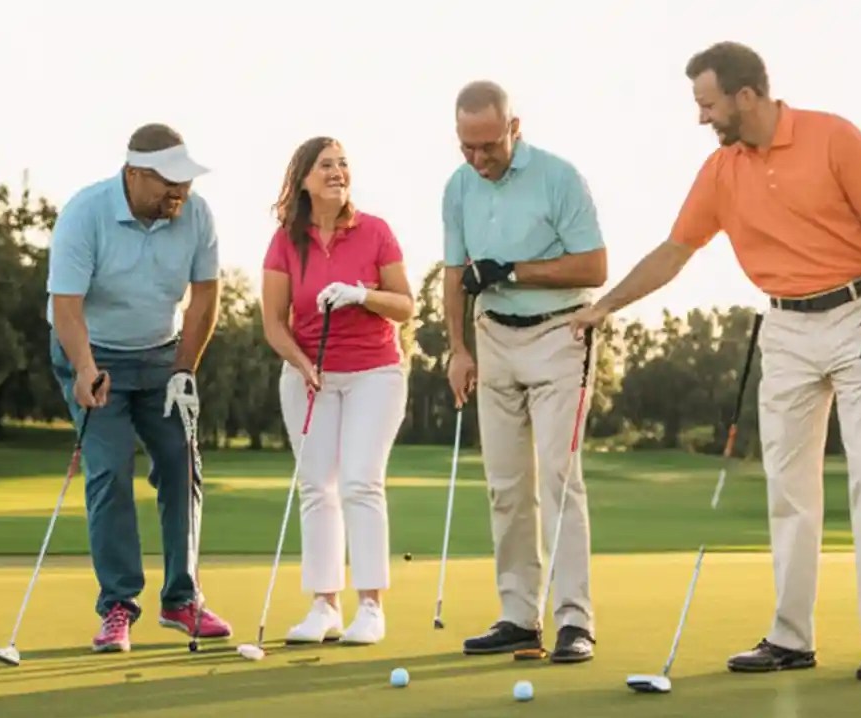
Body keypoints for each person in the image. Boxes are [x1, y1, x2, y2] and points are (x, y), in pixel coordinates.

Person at [569, 41, 861, 681]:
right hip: (783, 327)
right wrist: (604, 307)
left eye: (708, 103)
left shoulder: (834, 137)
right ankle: (790, 637)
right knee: (788, 487)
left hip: (856, 316)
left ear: (744, 96)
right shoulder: (721, 171)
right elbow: (674, 252)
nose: (702, 117)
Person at [45, 122, 231, 653]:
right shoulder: (86, 213)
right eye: (167, 182)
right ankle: (119, 606)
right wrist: (83, 369)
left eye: (185, 181)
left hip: (160, 357)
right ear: (133, 174)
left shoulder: (196, 215)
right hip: (94, 353)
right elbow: (66, 307)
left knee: (182, 463)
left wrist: (185, 369)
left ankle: (182, 598)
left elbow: (204, 300)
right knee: (109, 470)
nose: (179, 192)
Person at [442, 80, 608, 663]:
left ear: (515, 127)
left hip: (561, 335)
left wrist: (512, 270)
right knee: (506, 486)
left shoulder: (559, 177)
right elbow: (455, 274)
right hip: (494, 341)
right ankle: (518, 615)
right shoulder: (458, 186)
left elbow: (594, 265)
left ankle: (573, 621)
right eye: (467, 146)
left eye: (488, 145)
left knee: (559, 477)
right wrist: (458, 349)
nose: (478, 159)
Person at [260, 136, 414, 646]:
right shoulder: (286, 240)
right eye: (325, 165)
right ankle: (323, 606)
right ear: (303, 178)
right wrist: (301, 364)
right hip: (310, 376)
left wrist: (361, 295)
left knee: (359, 483)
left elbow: (405, 305)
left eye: (343, 163)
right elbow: (274, 324)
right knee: (316, 487)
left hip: (375, 373)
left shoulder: (375, 232)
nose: (337, 172)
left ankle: (371, 606)